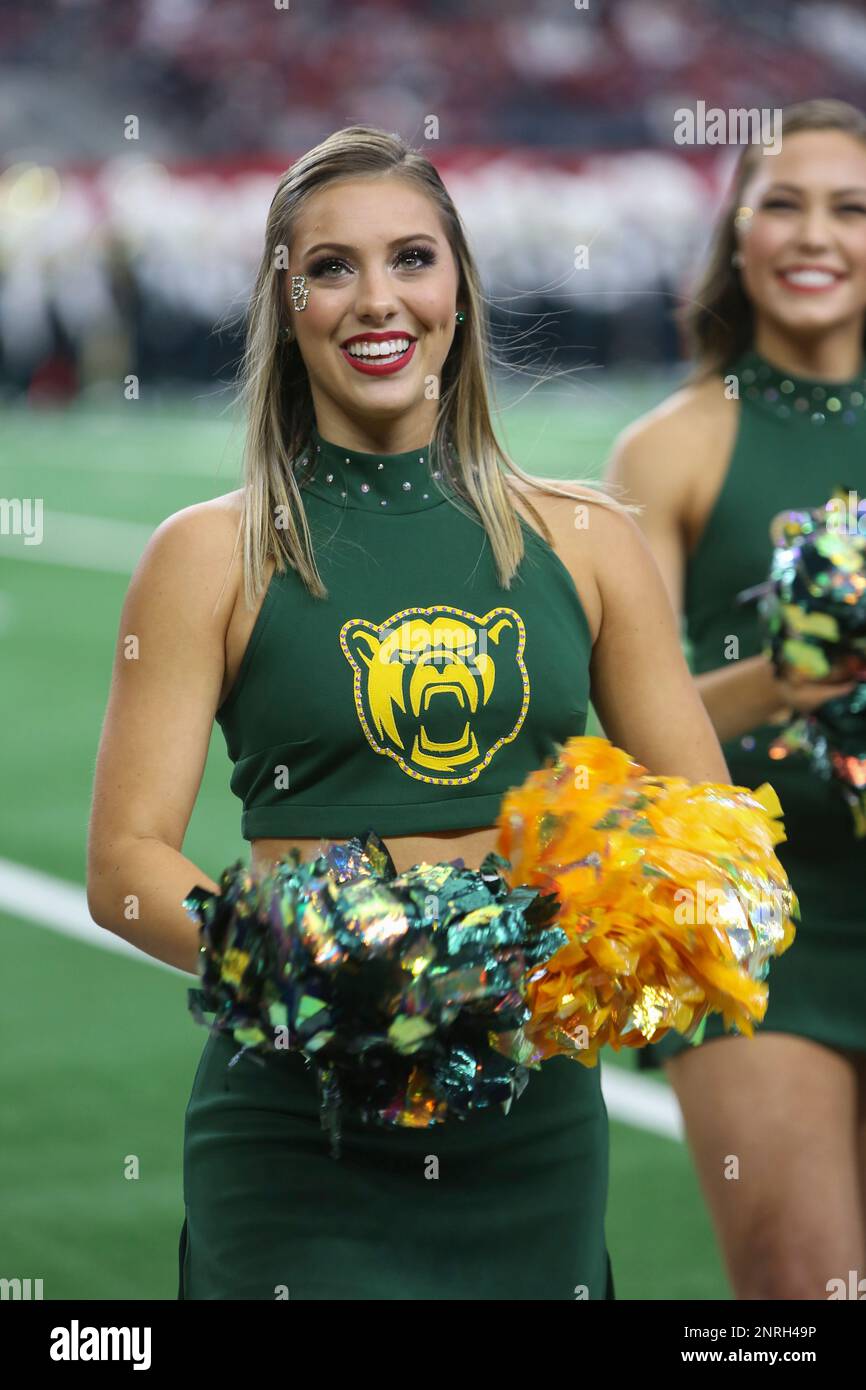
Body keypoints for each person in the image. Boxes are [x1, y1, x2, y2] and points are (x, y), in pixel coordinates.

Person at [86, 124, 731, 1301]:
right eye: (329, 268)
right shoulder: (206, 557)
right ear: (285, 308)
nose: (375, 299)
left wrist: (568, 952)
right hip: (296, 1119)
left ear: (460, 291)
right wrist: (321, 969)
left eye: (411, 260)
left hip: (528, 1125)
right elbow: (125, 869)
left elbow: (701, 829)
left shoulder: (585, 541)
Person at [605, 98, 866, 1301]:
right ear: (737, 235)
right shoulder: (669, 448)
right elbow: (615, 732)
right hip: (757, 923)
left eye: (849, 208)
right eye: (782, 204)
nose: (814, 235)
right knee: (801, 1288)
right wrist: (782, 678)